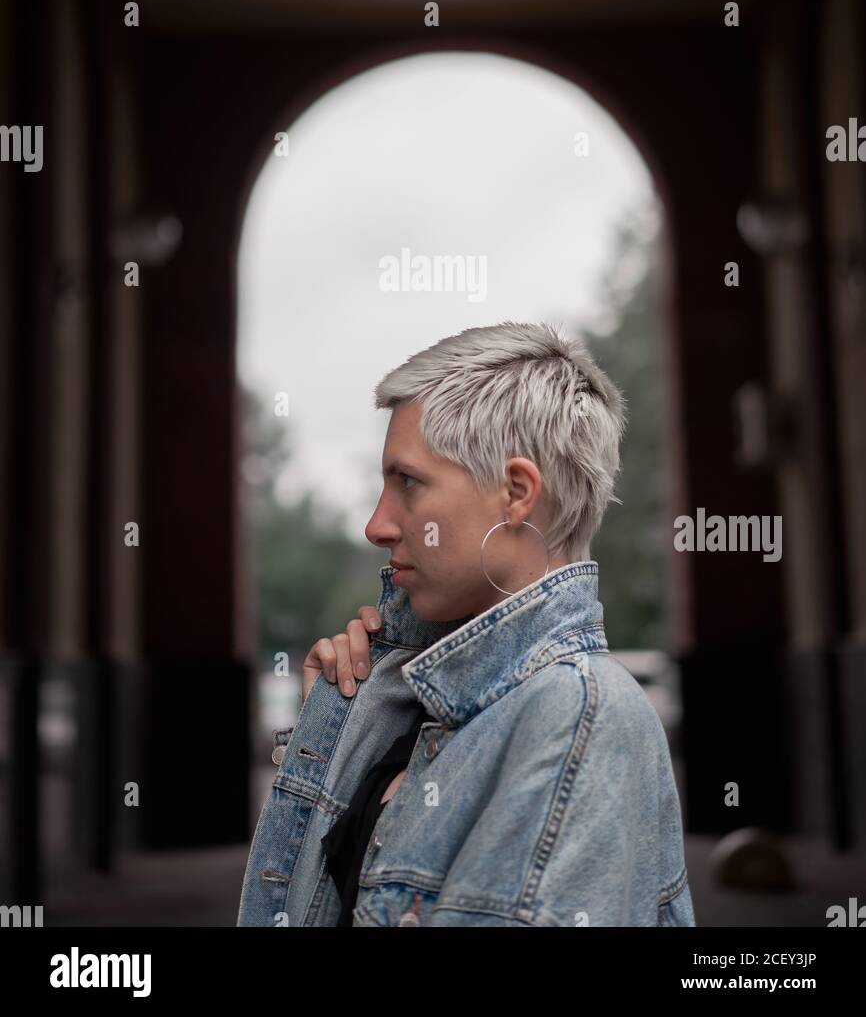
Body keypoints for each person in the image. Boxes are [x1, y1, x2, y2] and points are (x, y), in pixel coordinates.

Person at [237, 320, 695, 927]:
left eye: (408, 483)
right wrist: (334, 738)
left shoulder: (575, 718)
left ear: (516, 492)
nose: (376, 524)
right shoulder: (406, 704)